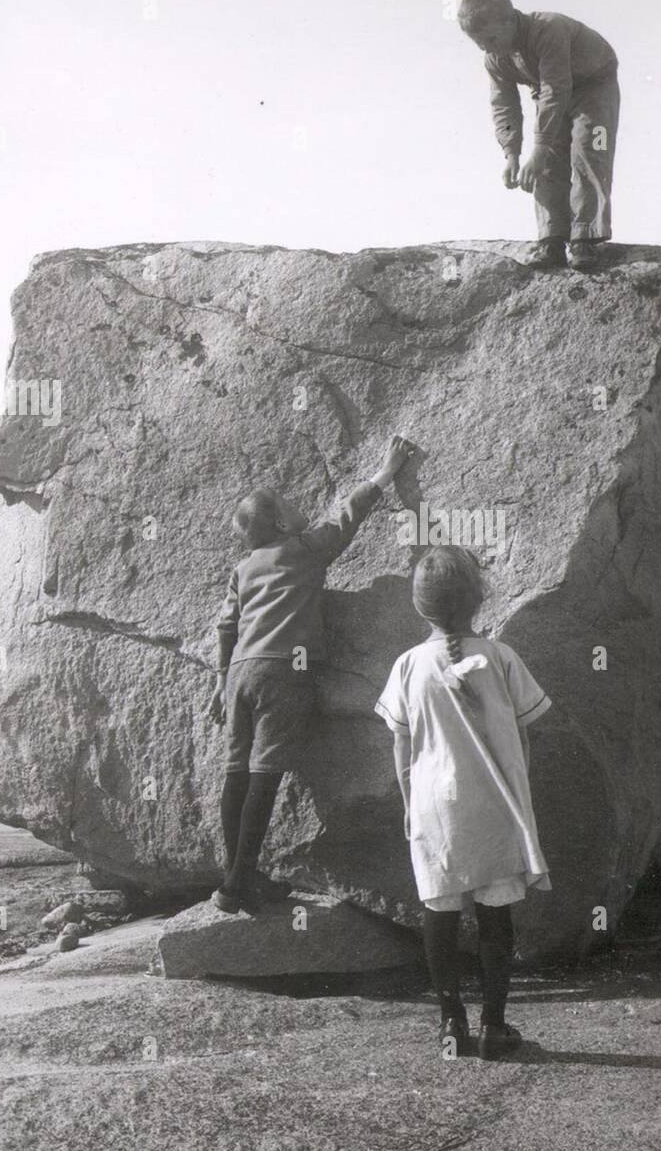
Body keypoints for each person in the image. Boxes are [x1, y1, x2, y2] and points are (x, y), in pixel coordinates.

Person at [208, 434, 415, 913]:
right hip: (284, 670)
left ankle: (236, 873)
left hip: (240, 670)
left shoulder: (243, 568)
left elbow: (225, 625)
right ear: (282, 522)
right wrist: (385, 473)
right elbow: (347, 518)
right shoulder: (302, 549)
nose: (303, 508)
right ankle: (237, 882)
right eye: (293, 505)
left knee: (236, 771)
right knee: (266, 771)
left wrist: (221, 680)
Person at [375, 545, 552, 1059]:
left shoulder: (408, 664)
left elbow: (401, 744)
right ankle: (495, 1027)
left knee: (440, 910)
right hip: (496, 803)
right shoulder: (502, 657)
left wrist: (410, 803)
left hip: (435, 804)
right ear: (479, 599)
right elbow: (526, 732)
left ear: (418, 606)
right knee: (496, 917)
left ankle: (451, 1024)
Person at [458, 0, 620, 269]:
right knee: (546, 162)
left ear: (509, 21)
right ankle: (552, 239)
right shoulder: (495, 58)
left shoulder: (549, 29)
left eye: (492, 39)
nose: (487, 49)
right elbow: (503, 104)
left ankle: (585, 237)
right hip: (546, 91)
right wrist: (512, 154)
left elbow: (556, 88)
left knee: (589, 149)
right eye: (480, 44)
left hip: (594, 88)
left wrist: (538, 147)